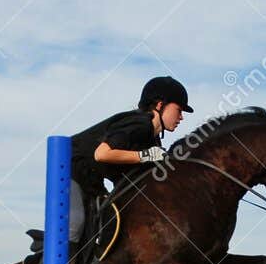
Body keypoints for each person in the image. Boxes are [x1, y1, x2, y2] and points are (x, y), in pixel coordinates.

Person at [66, 75, 191, 245]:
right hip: (68, 167)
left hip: (92, 178)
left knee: (101, 228)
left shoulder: (152, 141)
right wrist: (144, 156)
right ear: (160, 105)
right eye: (179, 109)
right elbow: (101, 154)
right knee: (75, 227)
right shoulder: (140, 124)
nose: (181, 117)